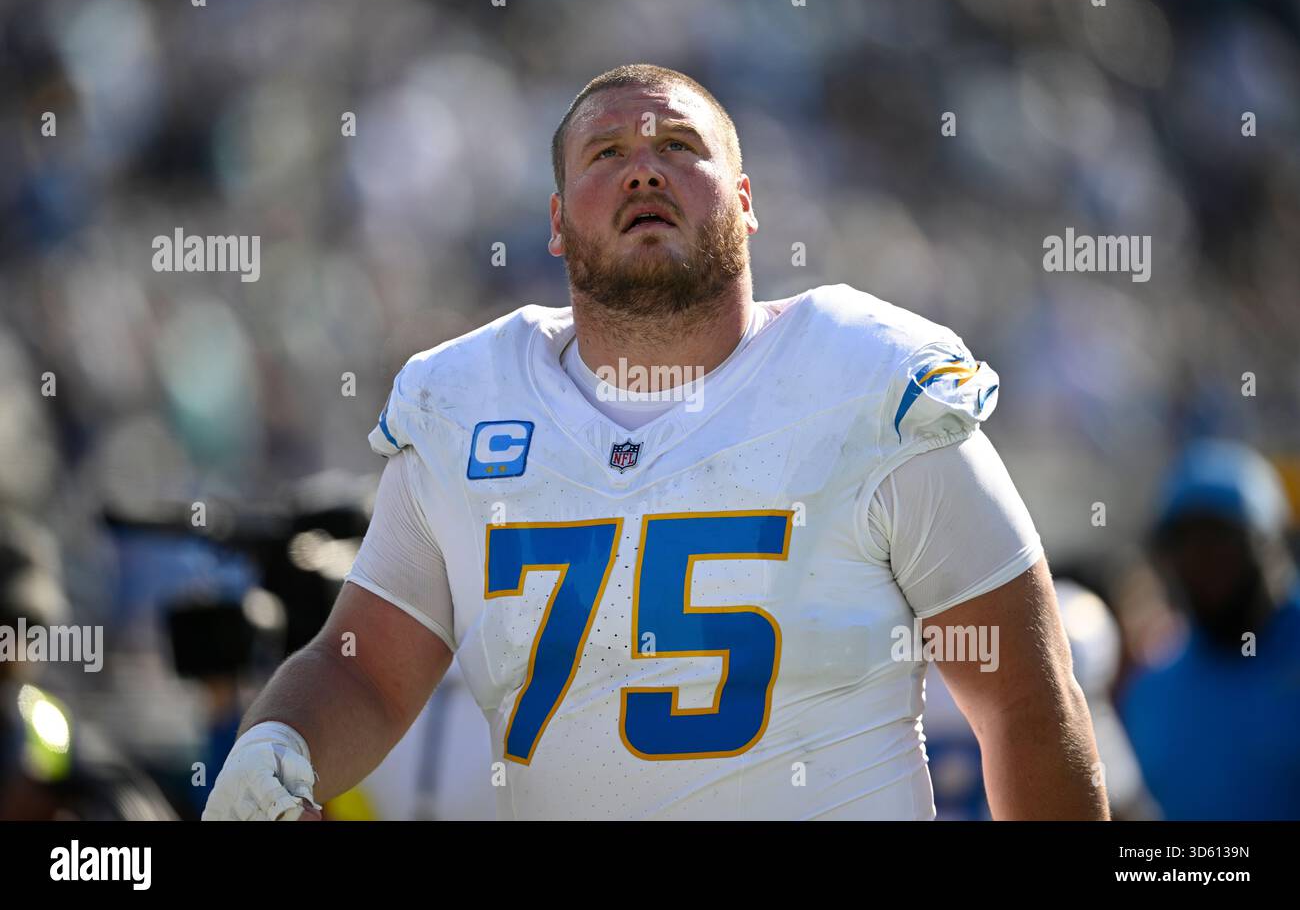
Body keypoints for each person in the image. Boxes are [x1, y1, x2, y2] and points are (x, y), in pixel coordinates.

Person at [204, 64, 1107, 820]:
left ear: (745, 203)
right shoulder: (463, 406)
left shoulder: (870, 384)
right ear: (556, 222)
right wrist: (279, 745)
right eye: (607, 154)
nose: (643, 171)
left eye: (677, 147)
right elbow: (366, 673)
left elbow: (1025, 700)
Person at [1120, 439, 1300, 819]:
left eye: (1223, 541)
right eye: (1185, 545)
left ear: (1272, 545)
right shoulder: (1152, 690)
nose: (1204, 563)